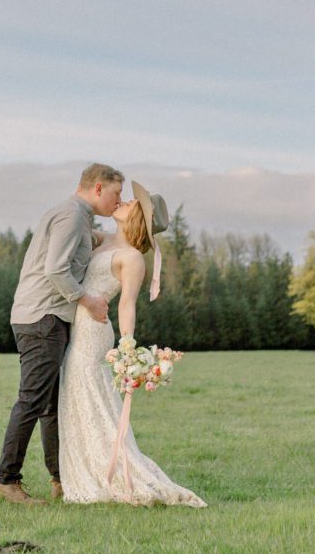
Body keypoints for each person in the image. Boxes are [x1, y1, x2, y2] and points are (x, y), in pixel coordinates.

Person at [56, 179, 205, 506]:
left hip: (93, 332)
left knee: (92, 397)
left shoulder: (133, 258)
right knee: (77, 397)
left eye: (129, 204)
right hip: (77, 326)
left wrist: (126, 347)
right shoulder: (107, 240)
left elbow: (126, 304)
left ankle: (107, 471)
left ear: (137, 218)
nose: (121, 202)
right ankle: (77, 469)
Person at [0, 163, 123, 504]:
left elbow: (98, 241)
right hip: (43, 318)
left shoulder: (77, 218)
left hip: (45, 318)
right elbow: (56, 269)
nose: (117, 200)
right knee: (34, 399)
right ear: (97, 188)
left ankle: (60, 478)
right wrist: (88, 300)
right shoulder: (71, 216)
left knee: (51, 405)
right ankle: (7, 481)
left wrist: (132, 233)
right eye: (115, 193)